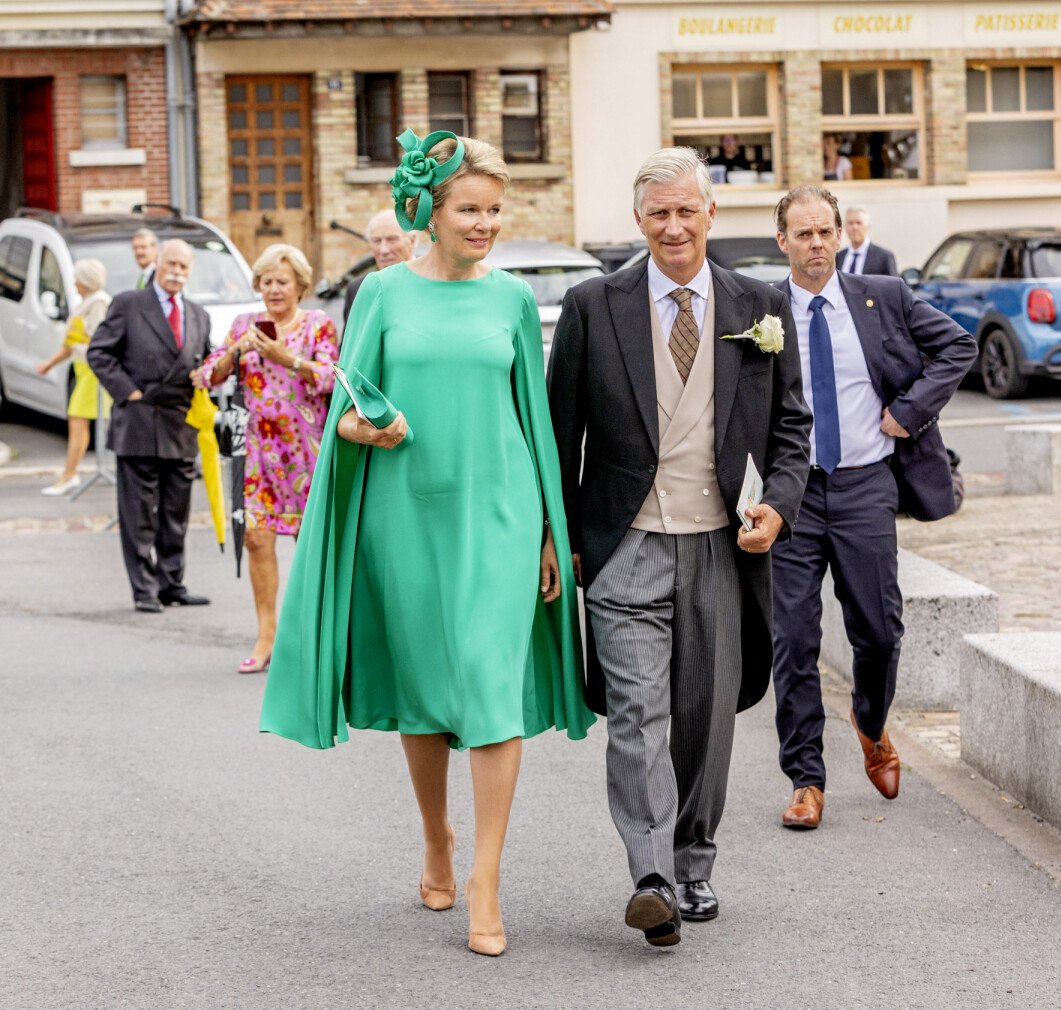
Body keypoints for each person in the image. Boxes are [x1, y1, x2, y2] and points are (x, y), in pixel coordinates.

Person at [258, 129, 593, 958]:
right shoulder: (382, 297)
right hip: (404, 518)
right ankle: (436, 836)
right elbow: (343, 413)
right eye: (469, 209)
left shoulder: (513, 299)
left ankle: (485, 874)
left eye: (494, 210)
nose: (485, 224)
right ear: (430, 212)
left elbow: (536, 423)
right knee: (426, 688)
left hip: (501, 516)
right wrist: (369, 429)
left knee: (489, 683)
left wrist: (553, 531)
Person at [547, 147, 811, 946]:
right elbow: (562, 439)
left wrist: (782, 508)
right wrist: (559, 541)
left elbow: (793, 429)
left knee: (705, 718)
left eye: (685, 211)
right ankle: (652, 873)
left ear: (709, 215)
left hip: (721, 548)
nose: (672, 226)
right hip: (624, 547)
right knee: (637, 714)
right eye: (657, 213)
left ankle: (694, 859)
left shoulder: (759, 303)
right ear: (639, 220)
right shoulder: (594, 306)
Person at [769, 185, 975, 831]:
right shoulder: (762, 310)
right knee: (795, 640)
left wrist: (908, 413)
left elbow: (958, 348)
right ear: (782, 242)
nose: (817, 244)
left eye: (825, 231)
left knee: (880, 631)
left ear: (839, 232)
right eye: (802, 234)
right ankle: (806, 778)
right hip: (792, 494)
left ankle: (870, 718)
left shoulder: (882, 296)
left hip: (864, 485)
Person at [191, 244, 339, 673]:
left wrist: (286, 359)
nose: (274, 289)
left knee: (308, 546)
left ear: (300, 286)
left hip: (306, 454)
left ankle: (309, 637)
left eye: (283, 281)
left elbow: (333, 376)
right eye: (267, 282)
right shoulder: (243, 325)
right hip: (258, 453)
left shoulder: (317, 324)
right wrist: (237, 351)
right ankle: (266, 634)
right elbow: (205, 375)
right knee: (257, 540)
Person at [88, 239, 212, 613]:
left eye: (184, 267)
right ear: (157, 263)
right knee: (139, 514)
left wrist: (209, 372)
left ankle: (171, 583)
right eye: (171, 263)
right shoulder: (129, 303)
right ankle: (144, 589)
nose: (176, 271)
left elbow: (207, 358)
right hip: (139, 423)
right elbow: (99, 352)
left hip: (180, 425)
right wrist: (129, 392)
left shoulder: (198, 314)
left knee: (175, 512)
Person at [35, 259, 112, 496]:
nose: (74, 282)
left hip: (92, 372)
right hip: (82, 370)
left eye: (77, 278)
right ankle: (70, 472)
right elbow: (70, 346)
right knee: (77, 420)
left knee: (77, 419)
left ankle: (69, 474)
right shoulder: (87, 303)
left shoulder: (98, 303)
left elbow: (97, 339)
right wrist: (49, 363)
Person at [342, 208, 417, 328]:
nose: (383, 250)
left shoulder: (432, 281)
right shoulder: (358, 289)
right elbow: (350, 345)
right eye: (376, 241)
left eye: (392, 239)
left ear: (412, 240)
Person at [835, 207, 898, 277]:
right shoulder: (839, 257)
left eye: (859, 223)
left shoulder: (884, 257)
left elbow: (894, 285)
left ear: (867, 227)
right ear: (844, 227)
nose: (854, 227)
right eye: (850, 223)